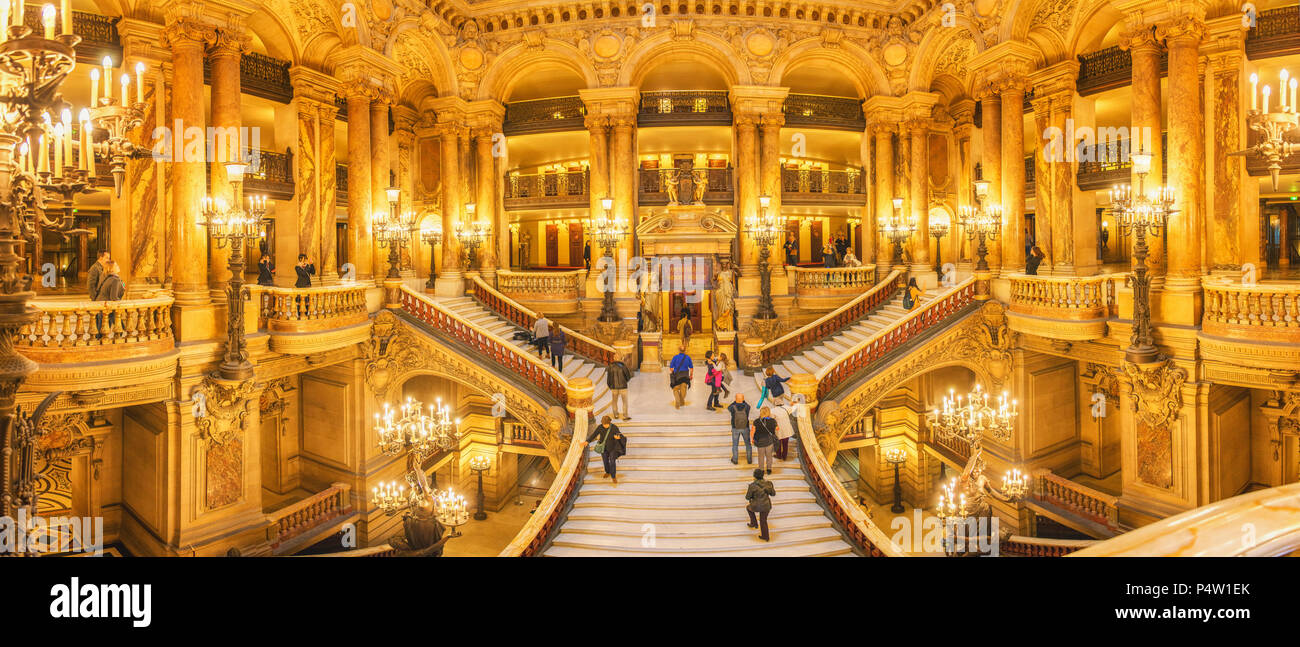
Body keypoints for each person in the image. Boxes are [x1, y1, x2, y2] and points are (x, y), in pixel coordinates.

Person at [584, 415, 627, 484]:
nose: (605, 425)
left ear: (609, 422)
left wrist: (618, 438)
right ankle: (607, 472)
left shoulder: (614, 428)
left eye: (606, 424)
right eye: (604, 424)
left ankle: (613, 476)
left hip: (612, 448)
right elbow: (594, 434)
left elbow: (620, 436)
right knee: (605, 461)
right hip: (603, 448)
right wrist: (587, 441)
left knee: (612, 462)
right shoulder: (600, 427)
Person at [745, 468, 776, 541]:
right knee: (763, 520)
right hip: (766, 506)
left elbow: (747, 497)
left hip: (756, 505)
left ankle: (754, 523)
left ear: (754, 476)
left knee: (748, 508)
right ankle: (765, 536)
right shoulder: (769, 483)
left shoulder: (752, 486)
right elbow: (773, 494)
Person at [727, 393, 752, 465]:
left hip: (735, 428)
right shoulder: (747, 407)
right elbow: (748, 405)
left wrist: (735, 401)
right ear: (743, 399)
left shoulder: (732, 407)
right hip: (745, 427)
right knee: (748, 444)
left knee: (735, 444)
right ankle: (749, 460)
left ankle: (735, 460)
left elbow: (728, 407)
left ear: (735, 399)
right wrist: (743, 401)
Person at [752, 406, 779, 474]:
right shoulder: (773, 421)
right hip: (769, 441)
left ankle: (761, 469)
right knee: (769, 456)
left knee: (760, 456)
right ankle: (769, 469)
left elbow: (752, 431)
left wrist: (752, 439)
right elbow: (777, 429)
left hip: (759, 441)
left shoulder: (756, 421)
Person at [606, 356, 632, 420]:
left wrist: (610, 386)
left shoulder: (610, 366)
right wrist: (624, 382)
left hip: (614, 387)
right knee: (625, 401)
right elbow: (628, 376)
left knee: (614, 401)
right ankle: (625, 415)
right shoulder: (623, 366)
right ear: (621, 358)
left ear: (614, 358)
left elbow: (608, 378)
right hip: (623, 387)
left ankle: (616, 415)